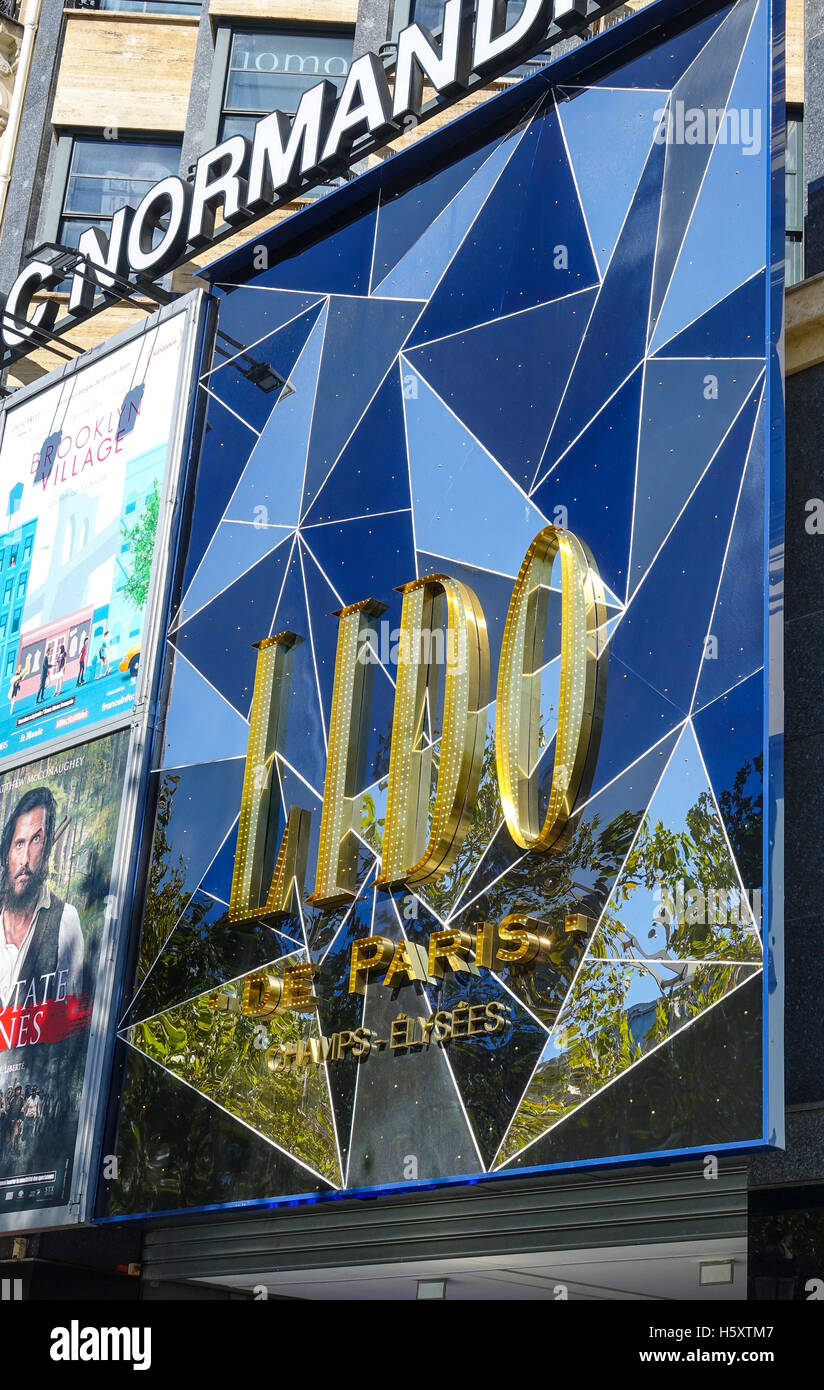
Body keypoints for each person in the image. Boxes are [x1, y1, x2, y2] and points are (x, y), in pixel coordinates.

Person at [0, 786, 84, 1015]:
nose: (25, 859)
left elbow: (72, 1024)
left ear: (47, 847)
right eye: (19, 843)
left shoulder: (65, 920)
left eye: (36, 840)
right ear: (7, 854)